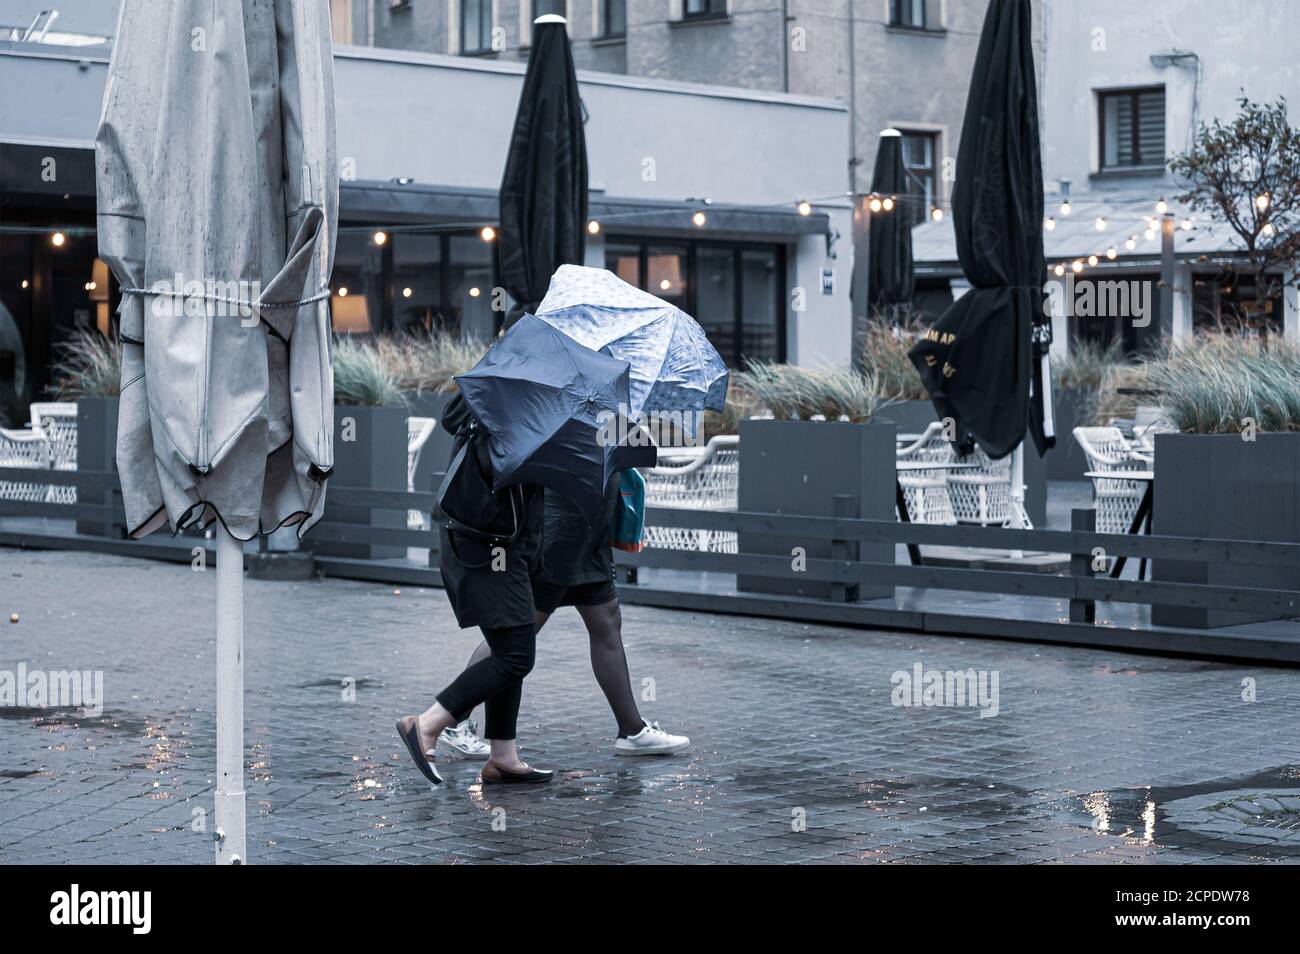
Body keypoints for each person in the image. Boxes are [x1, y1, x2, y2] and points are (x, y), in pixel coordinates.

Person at [436, 472, 690, 760]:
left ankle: (632, 730)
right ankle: (451, 720)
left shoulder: (610, 426)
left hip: (590, 528)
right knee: (516, 634)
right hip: (564, 528)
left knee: (605, 619)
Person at [396, 395, 552, 786]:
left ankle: (502, 756)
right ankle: (428, 724)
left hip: (495, 544)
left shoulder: (496, 392)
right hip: (488, 546)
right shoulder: (506, 402)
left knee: (508, 645)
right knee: (517, 655)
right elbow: (501, 465)